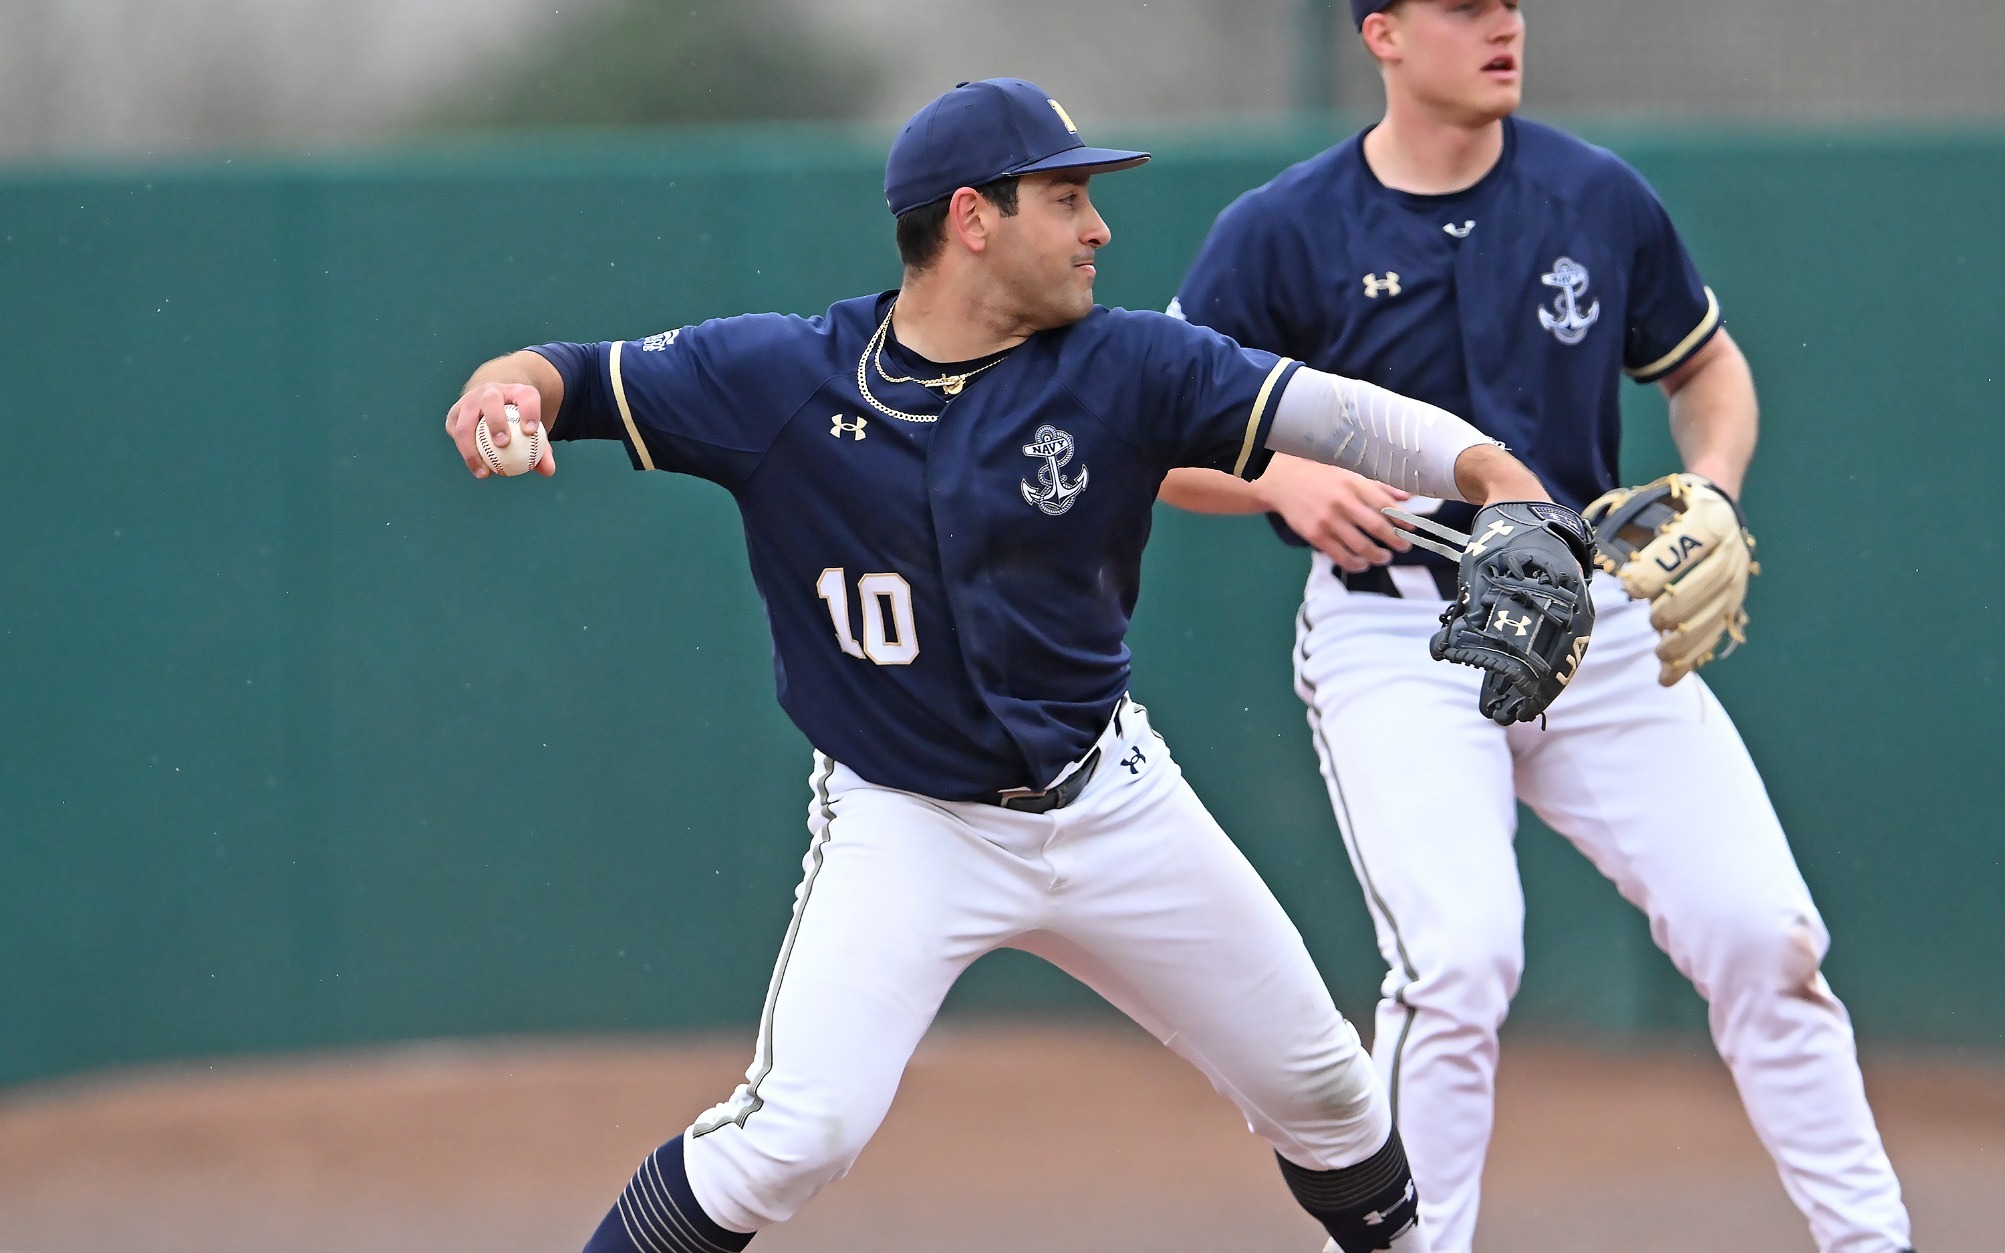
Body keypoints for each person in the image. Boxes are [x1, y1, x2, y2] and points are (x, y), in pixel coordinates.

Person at [443, 77, 1574, 1253]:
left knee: (1329, 1093)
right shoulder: (780, 378)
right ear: (972, 217)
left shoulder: (1127, 364)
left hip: (1113, 799)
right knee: (795, 1132)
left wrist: (1499, 478)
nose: (1099, 229)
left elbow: (1343, 418)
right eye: (1067, 197)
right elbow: (565, 372)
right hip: (908, 820)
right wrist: (501, 394)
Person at [1160, 5, 1914, 1253]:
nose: (1501, 25)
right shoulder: (1282, 229)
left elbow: (1706, 367)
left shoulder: (1595, 197)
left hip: (1593, 620)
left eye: (1507, 2)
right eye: (1462, 6)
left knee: (1763, 934)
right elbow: (1159, 437)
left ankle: (1872, 1239)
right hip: (1397, 637)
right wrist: (1281, 480)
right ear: (1382, 32)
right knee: (1457, 963)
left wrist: (1714, 486)